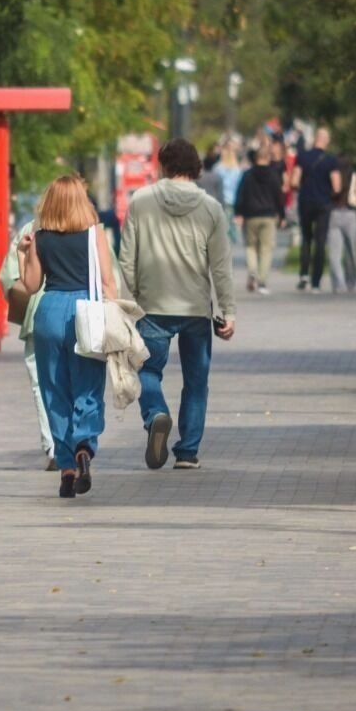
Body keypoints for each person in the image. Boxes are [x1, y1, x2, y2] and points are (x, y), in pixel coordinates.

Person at [121, 139, 236, 471]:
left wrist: (137, 295)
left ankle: (156, 413)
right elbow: (220, 266)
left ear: (164, 166)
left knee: (147, 370)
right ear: (196, 167)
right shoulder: (211, 208)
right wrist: (228, 311)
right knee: (196, 381)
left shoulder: (140, 201)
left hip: (153, 305)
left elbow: (126, 258)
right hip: (195, 308)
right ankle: (187, 451)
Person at [15, 175, 117, 498]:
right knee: (88, 386)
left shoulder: (40, 237)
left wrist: (22, 252)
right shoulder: (94, 233)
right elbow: (107, 280)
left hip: (49, 311)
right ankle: (83, 446)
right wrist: (115, 317)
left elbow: (31, 285)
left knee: (54, 389)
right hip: (85, 310)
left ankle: (66, 469)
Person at [0, 216, 56, 471]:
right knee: (77, 380)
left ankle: (53, 446)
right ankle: (78, 442)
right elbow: (110, 276)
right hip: (80, 315)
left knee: (40, 383)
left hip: (38, 316)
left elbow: (8, 278)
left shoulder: (32, 229)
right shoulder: (89, 227)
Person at [289, 126, 339, 292]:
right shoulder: (331, 160)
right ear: (327, 141)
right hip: (323, 204)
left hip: (306, 202)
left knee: (306, 238)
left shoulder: (302, 156)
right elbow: (337, 186)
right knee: (320, 241)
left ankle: (304, 275)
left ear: (315, 138)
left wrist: (303, 187)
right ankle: (316, 281)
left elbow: (294, 181)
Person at [233, 144, 283, 294]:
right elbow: (278, 196)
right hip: (268, 215)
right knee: (266, 249)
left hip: (251, 215)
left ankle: (252, 271)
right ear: (268, 157)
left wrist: (238, 213)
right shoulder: (273, 175)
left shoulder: (247, 175)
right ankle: (262, 281)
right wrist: (282, 214)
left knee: (250, 247)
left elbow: (240, 194)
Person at [325, 157, 356, 293]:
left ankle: (339, 283)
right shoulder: (355, 176)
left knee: (335, 253)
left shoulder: (331, 174)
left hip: (334, 213)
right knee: (351, 251)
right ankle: (350, 281)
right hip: (350, 214)